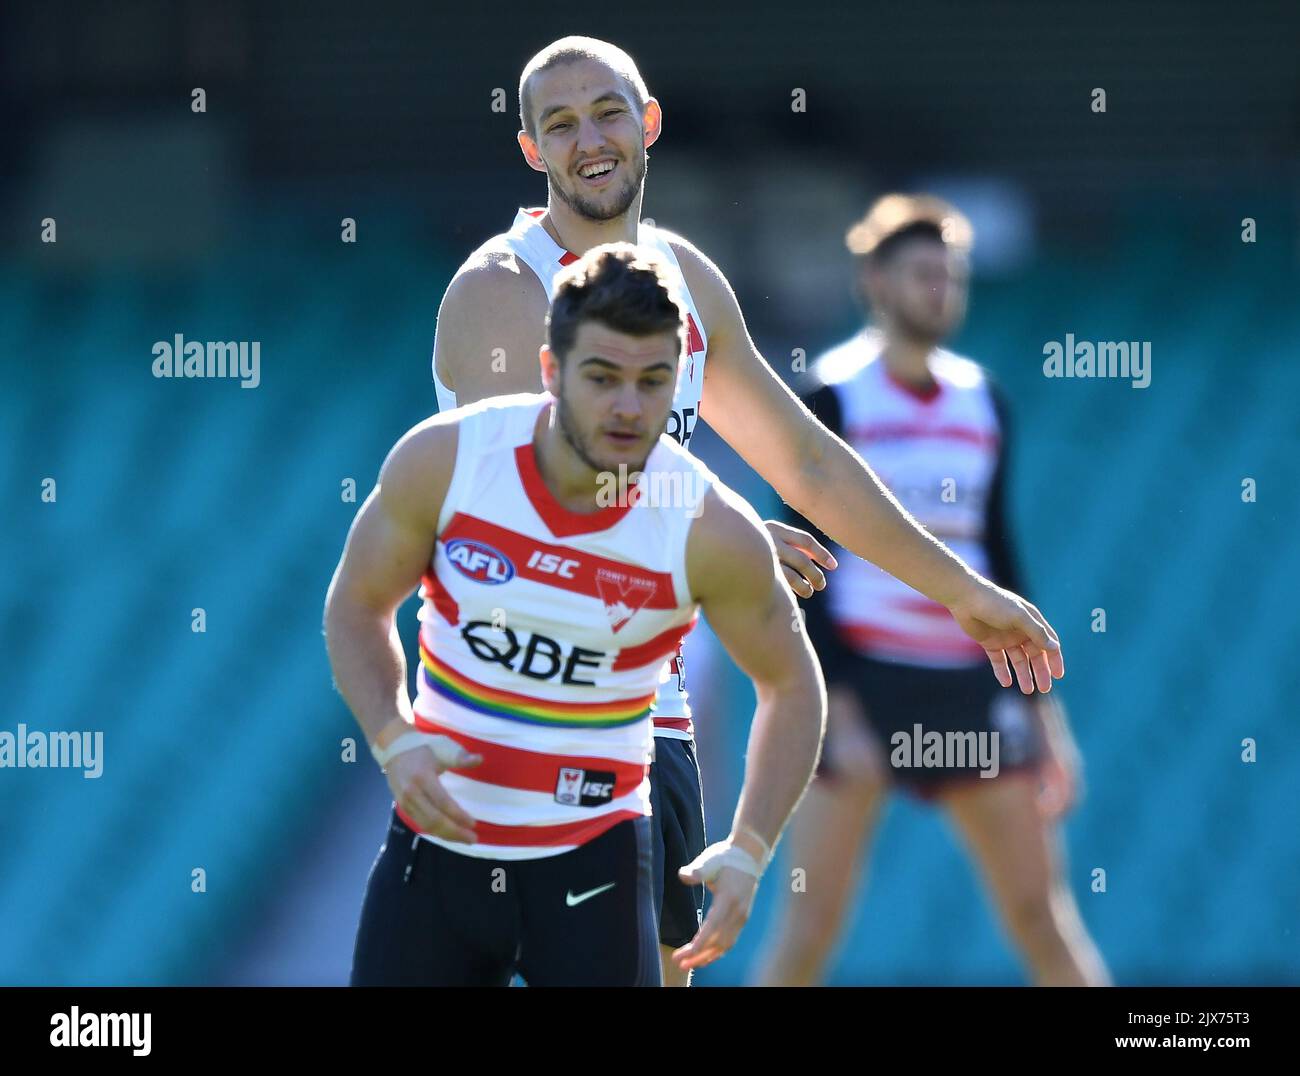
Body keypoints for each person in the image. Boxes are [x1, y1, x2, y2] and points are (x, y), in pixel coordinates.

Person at [431, 35, 1064, 984]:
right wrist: (714, 522)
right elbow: (534, 488)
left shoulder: (686, 281)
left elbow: (806, 459)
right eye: (558, 125)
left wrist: (960, 592)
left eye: (608, 112)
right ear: (532, 152)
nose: (588, 139)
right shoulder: (500, 291)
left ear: (648, 124)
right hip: (507, 709)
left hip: (649, 713)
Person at [326, 244, 825, 986]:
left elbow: (794, 687)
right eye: (603, 377)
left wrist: (751, 848)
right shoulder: (449, 459)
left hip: (594, 872)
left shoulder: (707, 525)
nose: (628, 406)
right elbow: (356, 605)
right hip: (438, 858)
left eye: (653, 382)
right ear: (551, 370)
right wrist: (394, 739)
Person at [753, 194, 1109, 987]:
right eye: (921, 274)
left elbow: (997, 555)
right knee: (809, 929)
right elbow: (800, 571)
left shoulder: (983, 400)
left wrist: (1044, 716)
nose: (939, 290)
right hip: (861, 686)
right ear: (875, 282)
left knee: (1040, 917)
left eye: (951, 276)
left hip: (967, 685)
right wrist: (833, 704)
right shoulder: (832, 396)